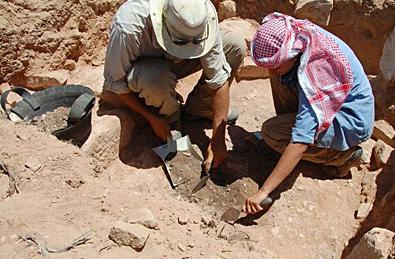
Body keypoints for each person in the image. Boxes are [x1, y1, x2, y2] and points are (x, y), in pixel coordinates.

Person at [243, 13, 374, 214]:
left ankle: (340, 157)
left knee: (271, 132)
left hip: (349, 120)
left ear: (292, 53)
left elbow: (300, 141)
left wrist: (263, 191)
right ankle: (290, 133)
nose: (273, 68)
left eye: (277, 63)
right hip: (333, 100)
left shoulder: (316, 73)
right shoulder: (295, 34)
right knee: (278, 77)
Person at [102, 0, 246, 170]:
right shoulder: (130, 26)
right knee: (154, 79)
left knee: (234, 45)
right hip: (143, 74)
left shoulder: (200, 14)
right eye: (182, 42)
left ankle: (199, 110)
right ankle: (170, 119)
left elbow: (219, 78)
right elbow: (116, 83)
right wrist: (151, 117)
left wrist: (218, 136)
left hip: (173, 65)